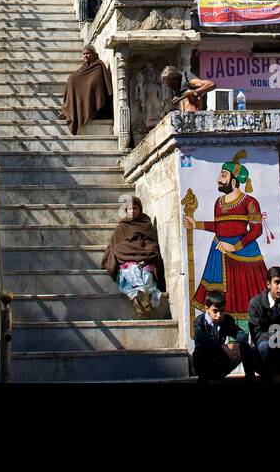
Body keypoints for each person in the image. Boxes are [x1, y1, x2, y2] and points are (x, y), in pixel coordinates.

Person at [183, 152, 268, 323]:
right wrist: (196, 224)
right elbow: (220, 227)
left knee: (245, 303)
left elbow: (256, 230)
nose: (218, 179)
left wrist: (235, 246)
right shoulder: (218, 202)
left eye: (223, 175)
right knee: (221, 304)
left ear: (234, 181)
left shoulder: (250, 202)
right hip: (219, 254)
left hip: (244, 257)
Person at [101, 197, 165, 314]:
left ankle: (139, 295)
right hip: (127, 259)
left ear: (139, 209)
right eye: (129, 209)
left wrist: (142, 249)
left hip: (144, 258)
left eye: (135, 208)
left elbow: (151, 244)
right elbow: (117, 246)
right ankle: (140, 295)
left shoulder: (145, 223)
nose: (132, 211)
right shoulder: (122, 226)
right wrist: (133, 249)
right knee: (132, 271)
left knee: (147, 274)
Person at [192, 290, 257, 382]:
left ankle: (250, 378)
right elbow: (199, 339)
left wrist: (234, 343)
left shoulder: (226, 320)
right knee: (201, 351)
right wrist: (220, 346)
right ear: (206, 309)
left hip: (220, 359)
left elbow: (242, 335)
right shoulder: (199, 321)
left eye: (222, 311)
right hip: (205, 362)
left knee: (244, 346)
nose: (219, 315)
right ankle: (205, 378)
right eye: (215, 311)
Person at [59, 45, 113, 135]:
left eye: (87, 53)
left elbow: (96, 81)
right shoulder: (84, 66)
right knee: (71, 80)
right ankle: (68, 112)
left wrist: (87, 84)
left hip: (94, 92)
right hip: (85, 88)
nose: (85, 56)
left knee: (90, 85)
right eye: (83, 54)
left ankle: (92, 111)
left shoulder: (98, 65)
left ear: (93, 54)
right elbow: (79, 75)